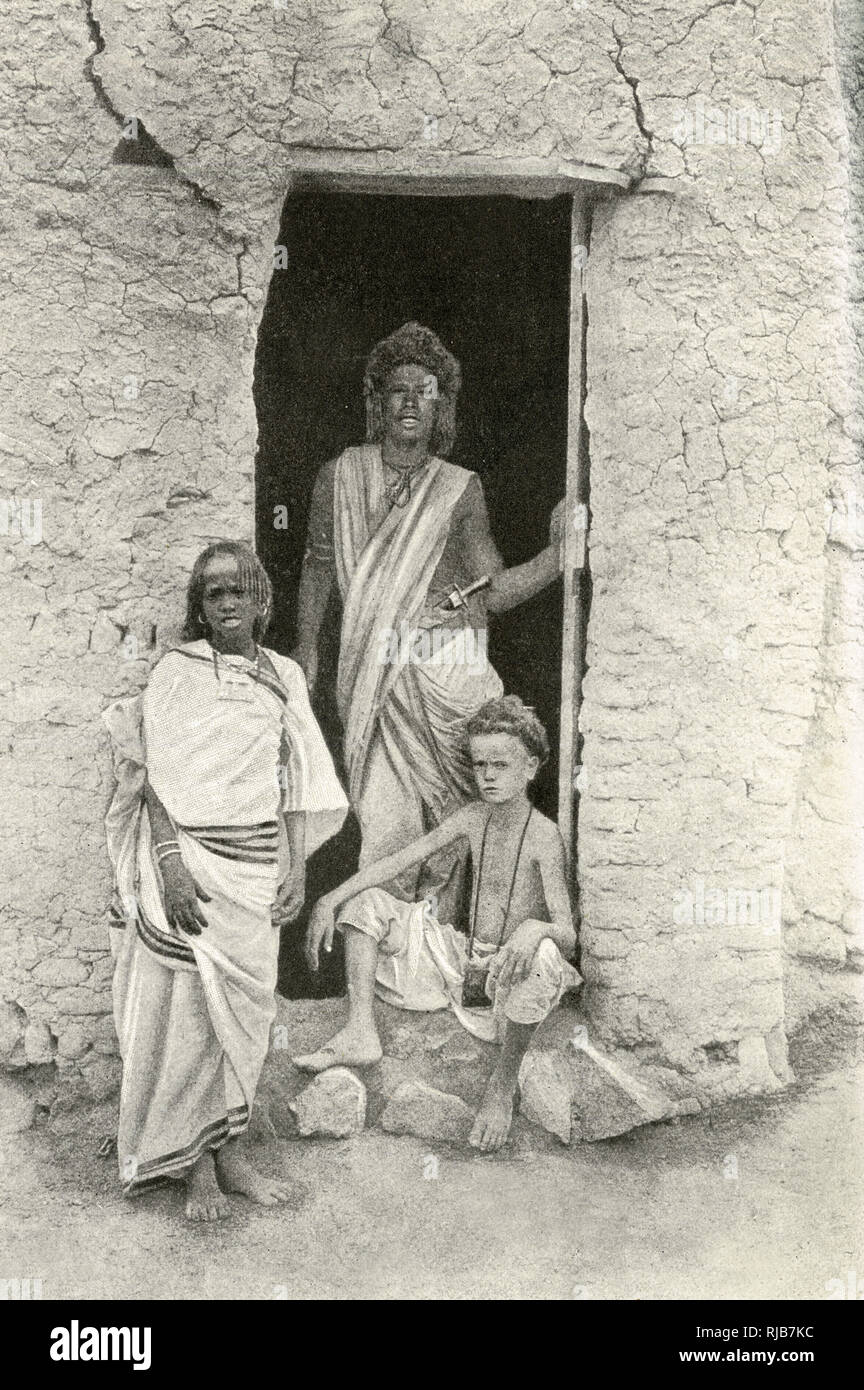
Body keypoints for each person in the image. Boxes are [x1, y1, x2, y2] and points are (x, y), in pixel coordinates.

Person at [102, 541, 347, 1220]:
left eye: (241, 589)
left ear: (261, 598)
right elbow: (151, 781)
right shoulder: (175, 674)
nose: (229, 602)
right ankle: (193, 1169)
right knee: (191, 1014)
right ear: (200, 607)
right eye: (215, 593)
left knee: (246, 1016)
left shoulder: (285, 676)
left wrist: (297, 864)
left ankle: (231, 1154)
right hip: (193, 866)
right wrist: (170, 865)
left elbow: (299, 778)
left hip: (258, 871)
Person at [293, 322, 565, 904]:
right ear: (377, 402)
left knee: (453, 833)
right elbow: (318, 563)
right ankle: (388, 973)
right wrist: (307, 646)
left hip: (449, 671)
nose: (412, 401)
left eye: (427, 390)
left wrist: (555, 559)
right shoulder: (338, 477)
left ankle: (436, 963)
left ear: (442, 405)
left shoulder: (459, 489)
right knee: (387, 829)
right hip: (374, 675)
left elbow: (489, 590)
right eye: (398, 390)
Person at [294, 696, 581, 1152]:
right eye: (479, 763)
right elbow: (397, 861)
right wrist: (331, 897)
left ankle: (501, 1088)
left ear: (530, 767)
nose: (486, 775)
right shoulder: (471, 816)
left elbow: (567, 935)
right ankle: (361, 1030)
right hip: (459, 961)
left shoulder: (546, 836)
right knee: (367, 904)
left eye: (500, 765)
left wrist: (536, 929)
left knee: (545, 956)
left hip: (509, 975)